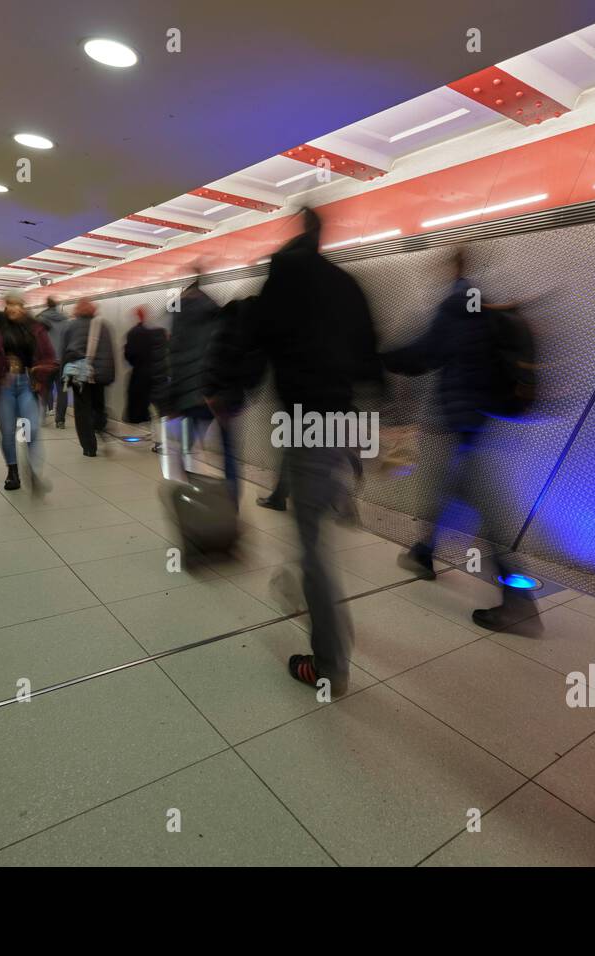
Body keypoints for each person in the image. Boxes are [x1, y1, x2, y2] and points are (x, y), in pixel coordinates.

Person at [237, 207, 382, 695]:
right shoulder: (344, 283)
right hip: (343, 419)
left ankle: (328, 665)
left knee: (313, 543)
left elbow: (255, 341)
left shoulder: (283, 279)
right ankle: (337, 501)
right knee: (316, 518)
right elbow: (369, 353)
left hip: (305, 421)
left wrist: (232, 392)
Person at [382, 247, 532, 631]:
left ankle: (519, 603)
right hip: (475, 421)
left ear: (454, 268)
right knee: (447, 489)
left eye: (443, 266)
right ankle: (424, 552)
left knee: (483, 506)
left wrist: (377, 357)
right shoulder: (480, 304)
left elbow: (423, 356)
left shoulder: (455, 305)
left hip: (463, 423)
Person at [160, 274, 239, 501]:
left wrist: (171, 400)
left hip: (190, 396)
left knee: (184, 448)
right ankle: (231, 508)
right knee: (229, 456)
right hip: (220, 394)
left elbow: (174, 359)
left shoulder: (179, 317)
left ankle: (190, 495)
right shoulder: (219, 312)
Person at [0, 293, 57, 492]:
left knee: (30, 428)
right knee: (8, 431)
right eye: (10, 304)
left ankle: (33, 470)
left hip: (27, 384)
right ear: (5, 306)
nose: (13, 308)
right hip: (2, 384)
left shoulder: (35, 328)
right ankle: (12, 472)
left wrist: (39, 370)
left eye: (17, 304)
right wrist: (2, 363)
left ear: (23, 307)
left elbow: (50, 357)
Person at [60, 298, 115, 457]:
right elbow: (109, 353)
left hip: (79, 377)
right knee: (99, 406)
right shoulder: (103, 326)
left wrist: (63, 378)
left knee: (82, 411)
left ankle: (89, 447)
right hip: (99, 376)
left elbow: (64, 353)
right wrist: (109, 376)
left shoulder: (70, 326)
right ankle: (99, 427)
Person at [123, 306, 165, 427]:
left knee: (139, 408)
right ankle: (160, 438)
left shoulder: (134, 333)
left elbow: (129, 355)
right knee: (160, 409)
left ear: (138, 317)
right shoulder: (160, 332)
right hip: (160, 375)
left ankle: (148, 433)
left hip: (141, 375)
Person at [36, 296, 69, 428]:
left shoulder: (38, 320)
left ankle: (42, 418)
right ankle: (60, 420)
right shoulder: (66, 321)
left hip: (45, 362)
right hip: (62, 361)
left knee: (44, 389)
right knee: (62, 391)